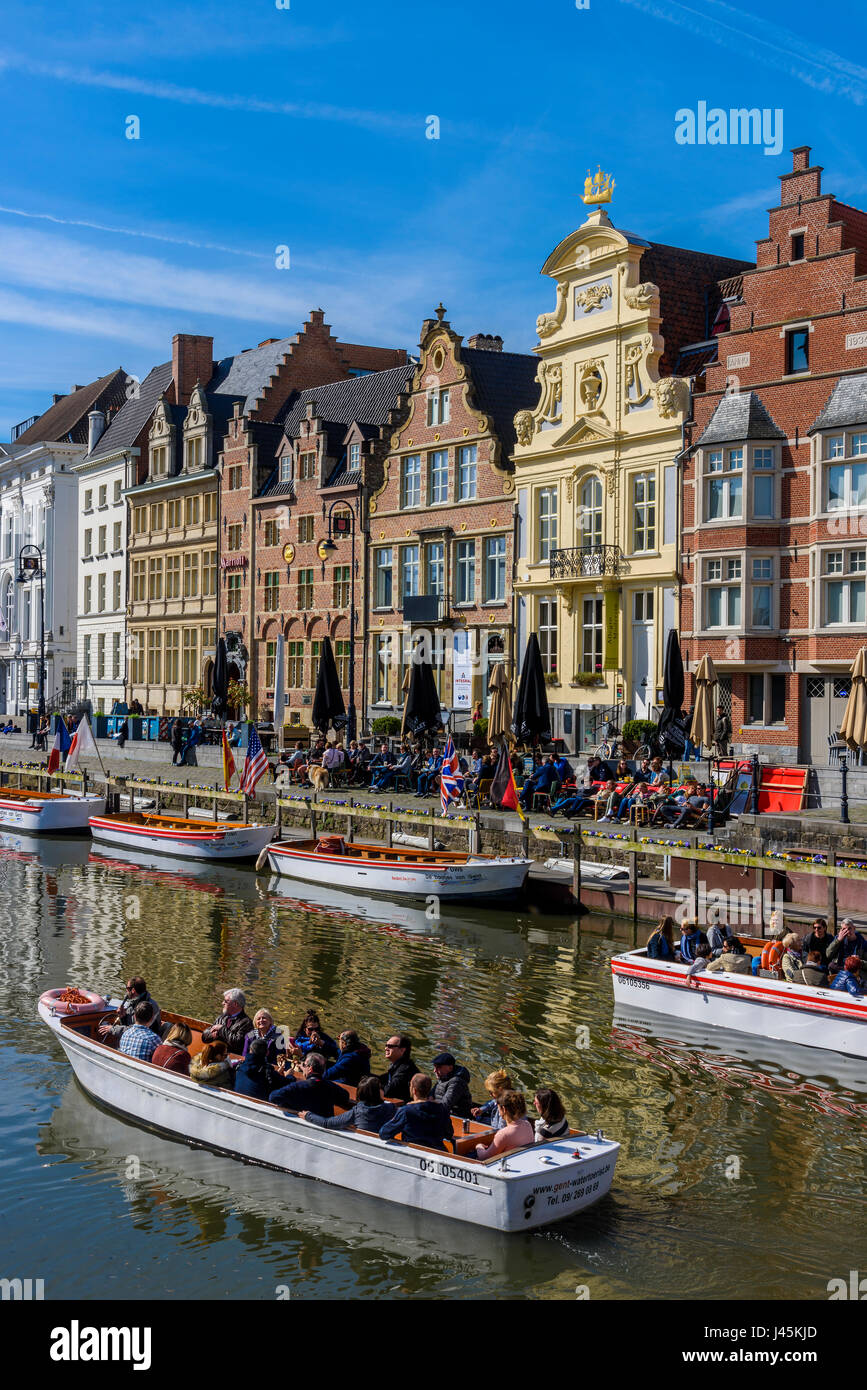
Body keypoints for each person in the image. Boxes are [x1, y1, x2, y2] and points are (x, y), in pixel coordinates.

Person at [379, 1073, 453, 1152]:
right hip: (438, 1152)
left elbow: (384, 1133)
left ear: (414, 1090)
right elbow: (449, 1134)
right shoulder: (442, 1109)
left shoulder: (406, 1111)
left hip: (413, 1152)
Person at [301, 1074, 394, 1133]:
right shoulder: (391, 1108)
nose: (383, 1090)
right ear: (376, 1093)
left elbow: (327, 1123)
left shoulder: (357, 1111)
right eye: (381, 1087)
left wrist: (308, 1115)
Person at [269, 1052, 351, 1116]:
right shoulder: (331, 1087)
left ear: (310, 1069)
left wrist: (288, 1078)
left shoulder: (297, 1086)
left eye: (304, 1065)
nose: (303, 1067)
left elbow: (273, 1097)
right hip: (323, 1129)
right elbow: (345, 1097)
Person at [98, 976, 161, 1045]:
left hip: (145, 1041)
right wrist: (123, 1017)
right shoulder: (132, 1003)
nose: (126, 991)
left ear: (133, 990)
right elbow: (129, 1026)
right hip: (134, 1038)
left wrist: (112, 1029)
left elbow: (138, 1030)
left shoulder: (149, 1007)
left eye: (127, 988)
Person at [475, 1091, 535, 1159]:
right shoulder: (527, 1125)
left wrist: (479, 1147)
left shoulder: (503, 1134)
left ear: (503, 1109)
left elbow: (484, 1157)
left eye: (498, 1108)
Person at [201, 987, 254, 1054]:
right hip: (216, 1055)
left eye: (226, 1001)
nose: (222, 1003)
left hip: (232, 1060)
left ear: (235, 1004)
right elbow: (204, 1037)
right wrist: (213, 1034)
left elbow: (239, 1044)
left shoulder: (247, 1023)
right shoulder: (221, 1018)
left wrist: (221, 1029)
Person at [379, 1033, 421, 1102]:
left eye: (390, 1046)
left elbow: (389, 1091)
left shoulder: (405, 1068)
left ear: (402, 1050)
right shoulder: (398, 1064)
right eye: (386, 1045)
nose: (386, 1048)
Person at [430, 1052, 473, 1118]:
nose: (434, 1071)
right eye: (434, 1067)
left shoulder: (456, 1082)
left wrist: (429, 1103)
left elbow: (445, 1105)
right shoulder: (442, 1077)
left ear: (450, 1068)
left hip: (457, 1118)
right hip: (441, 1114)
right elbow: (431, 1094)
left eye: (438, 1067)